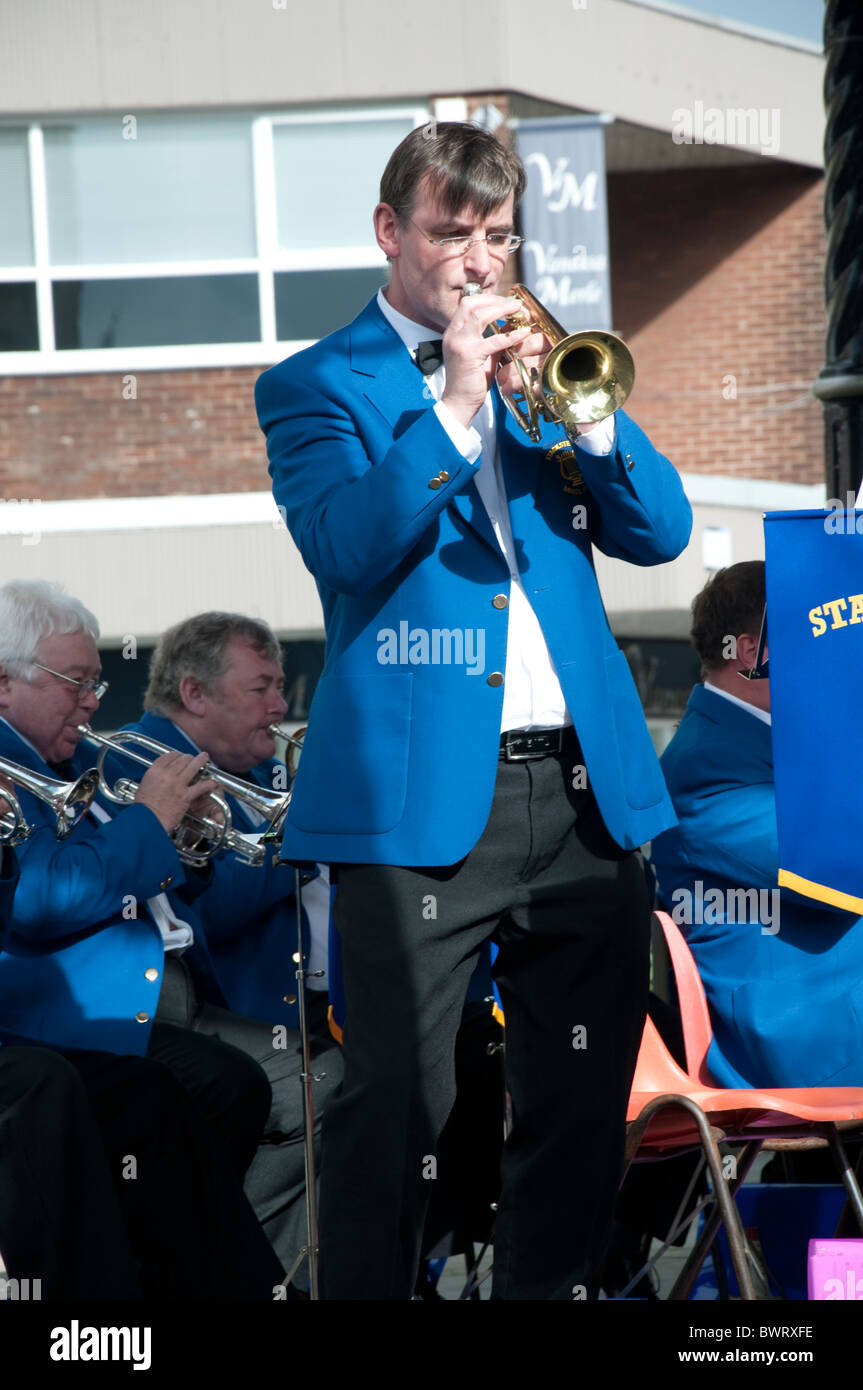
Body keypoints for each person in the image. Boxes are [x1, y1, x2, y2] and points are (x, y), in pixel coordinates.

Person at [256, 122, 692, 1300]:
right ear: (392, 232)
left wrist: (583, 421)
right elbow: (345, 547)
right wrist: (452, 403)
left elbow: (659, 533)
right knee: (402, 1100)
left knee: (578, 1103)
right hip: (419, 808)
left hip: (585, 791)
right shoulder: (312, 384)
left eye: (499, 236)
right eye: (452, 233)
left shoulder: (540, 366)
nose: (480, 261)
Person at [0, 579, 289, 1296]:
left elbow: (130, 880)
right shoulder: (19, 769)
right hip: (58, 1014)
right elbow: (43, 897)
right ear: (4, 684)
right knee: (192, 1092)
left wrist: (186, 844)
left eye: (96, 682)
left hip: (116, 999)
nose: (94, 702)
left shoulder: (56, 763)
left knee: (216, 1094)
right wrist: (149, 821)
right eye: (77, 683)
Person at [110, 609, 343, 1273]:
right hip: (204, 1012)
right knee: (331, 1088)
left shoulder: (238, 768)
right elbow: (202, 913)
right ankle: (248, 1268)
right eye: (261, 688)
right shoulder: (142, 766)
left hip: (284, 1006)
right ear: (194, 694)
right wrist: (310, 832)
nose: (280, 705)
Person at [651, 560, 863, 1088]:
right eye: (814, 637)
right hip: (800, 1024)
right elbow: (833, 875)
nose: (833, 659)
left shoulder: (776, 743)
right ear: (750, 653)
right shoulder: (706, 767)